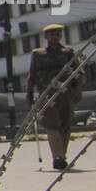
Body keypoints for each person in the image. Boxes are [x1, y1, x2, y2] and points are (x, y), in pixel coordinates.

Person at [26, 23, 83, 169]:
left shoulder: (68, 53)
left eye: (57, 34)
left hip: (65, 92)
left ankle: (61, 155)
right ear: (46, 37)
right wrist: (29, 93)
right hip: (47, 93)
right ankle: (58, 157)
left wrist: (78, 91)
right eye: (52, 34)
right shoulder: (38, 54)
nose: (55, 36)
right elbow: (32, 75)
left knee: (66, 124)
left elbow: (78, 73)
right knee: (52, 125)